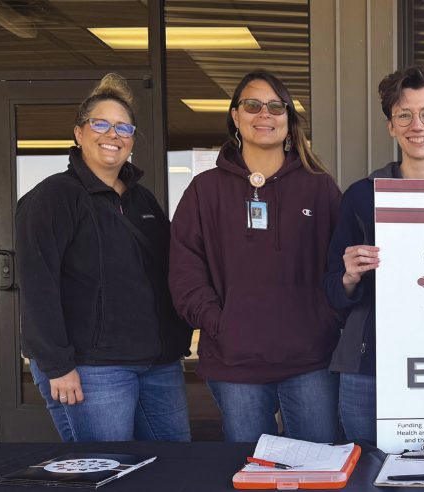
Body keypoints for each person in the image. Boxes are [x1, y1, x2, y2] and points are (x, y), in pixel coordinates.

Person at [17, 73, 193, 442]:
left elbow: (169, 268)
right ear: (79, 134)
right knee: (107, 470)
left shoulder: (141, 200)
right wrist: (57, 365)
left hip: (158, 364)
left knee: (174, 469)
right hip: (94, 368)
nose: (113, 135)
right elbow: (38, 287)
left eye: (123, 127)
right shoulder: (53, 198)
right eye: (101, 124)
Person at [169, 70, 343, 443]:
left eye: (276, 106)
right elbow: (185, 269)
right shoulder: (205, 190)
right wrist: (219, 323)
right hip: (235, 362)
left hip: (310, 360)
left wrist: (325, 318)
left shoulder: (319, 186)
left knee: (318, 470)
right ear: (235, 116)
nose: (264, 114)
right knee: (250, 469)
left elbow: (341, 266)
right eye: (252, 105)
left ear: (288, 120)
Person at [324, 65, 424, 444]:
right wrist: (350, 276)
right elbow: (332, 291)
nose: (417, 125)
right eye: (404, 115)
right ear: (391, 126)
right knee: (367, 471)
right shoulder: (362, 195)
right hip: (369, 369)